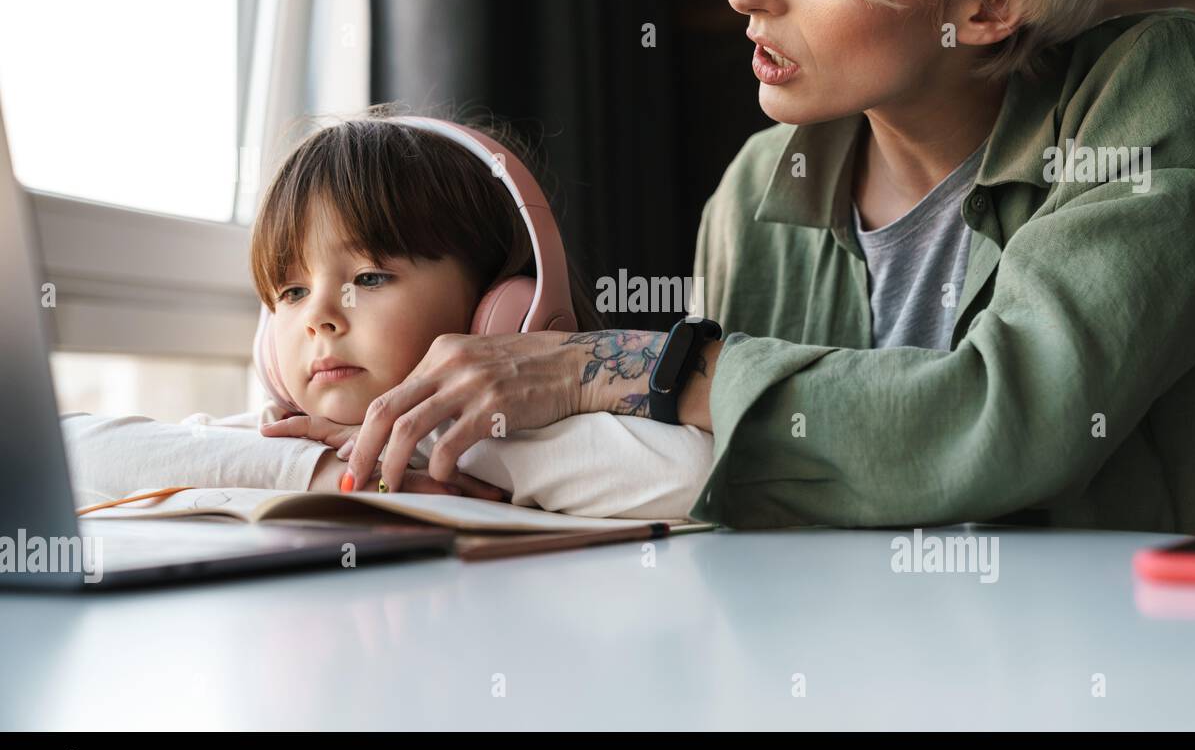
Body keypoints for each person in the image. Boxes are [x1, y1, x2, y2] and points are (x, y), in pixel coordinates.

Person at [330, 0, 1195, 534]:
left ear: (987, 3)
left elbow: (1012, 421)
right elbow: (716, 486)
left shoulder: (1163, 91)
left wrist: (632, 363)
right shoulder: (758, 191)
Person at [59, 109, 712, 521]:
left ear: (499, 315)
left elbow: (691, 472)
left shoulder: (509, 437)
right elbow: (72, 449)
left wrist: (455, 450)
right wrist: (333, 474)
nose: (319, 316)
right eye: (289, 293)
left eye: (368, 277)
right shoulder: (297, 437)